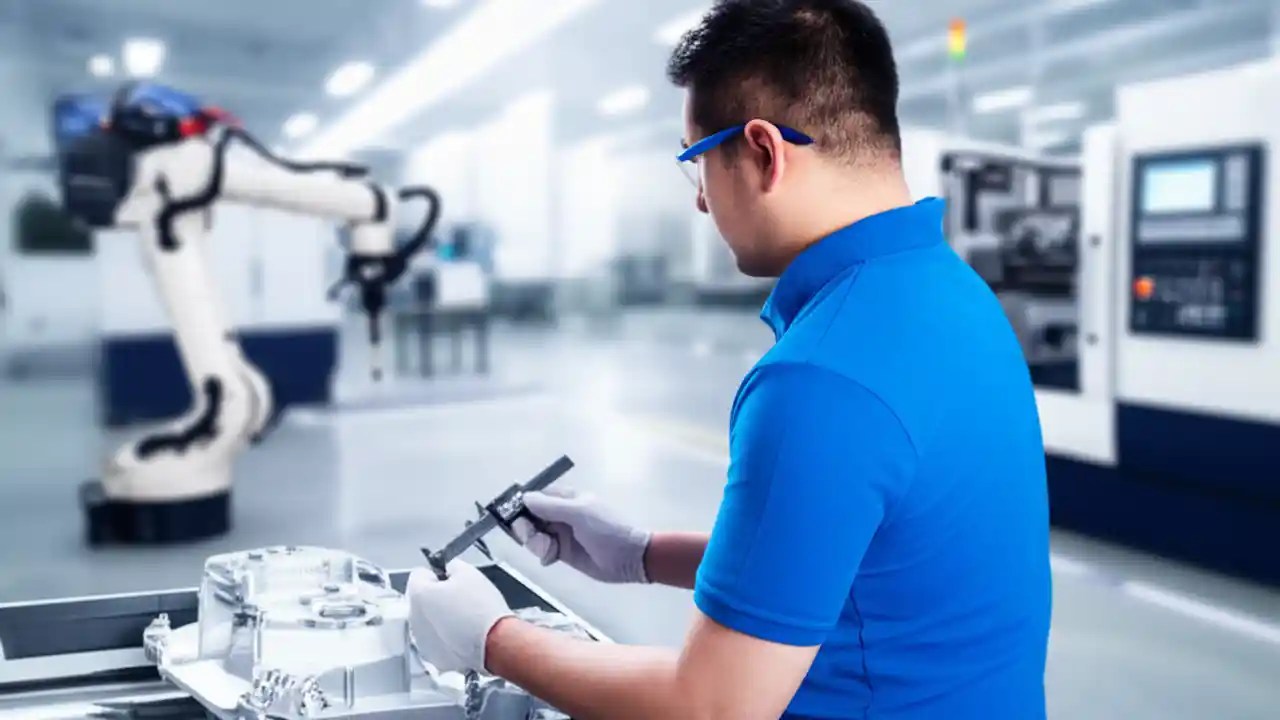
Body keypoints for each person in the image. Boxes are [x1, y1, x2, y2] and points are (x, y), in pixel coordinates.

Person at [406, 1, 1052, 718]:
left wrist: (490, 636)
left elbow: (710, 707)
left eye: (698, 166)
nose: (702, 206)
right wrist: (642, 553)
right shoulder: (955, 294)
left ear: (764, 153)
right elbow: (862, 557)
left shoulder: (819, 380)